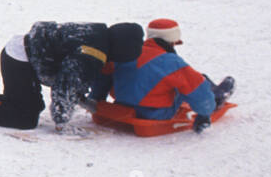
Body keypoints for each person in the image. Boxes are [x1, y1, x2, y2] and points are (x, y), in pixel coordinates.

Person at [0, 22, 144, 131]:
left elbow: (73, 73)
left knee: (20, 102)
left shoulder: (97, 35)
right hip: (22, 58)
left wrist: (81, 98)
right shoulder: (93, 53)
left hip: (20, 52)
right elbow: (66, 85)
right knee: (24, 117)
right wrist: (61, 119)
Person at [93, 18, 235, 133]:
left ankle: (211, 90)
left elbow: (104, 76)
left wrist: (96, 100)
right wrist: (204, 114)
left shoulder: (126, 51)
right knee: (195, 81)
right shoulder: (172, 62)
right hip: (154, 113)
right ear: (173, 40)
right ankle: (218, 97)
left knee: (175, 78)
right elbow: (197, 91)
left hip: (122, 105)